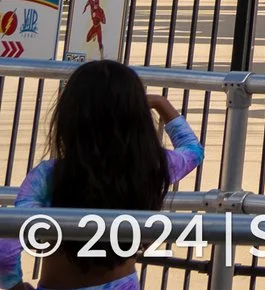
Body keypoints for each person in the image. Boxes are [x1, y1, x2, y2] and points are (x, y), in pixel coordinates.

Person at [0, 59, 202, 290]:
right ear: (137, 118)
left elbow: (6, 246)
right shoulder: (150, 168)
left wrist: (13, 285)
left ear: (69, 117)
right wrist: (160, 103)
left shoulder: (49, 177)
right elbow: (192, 151)